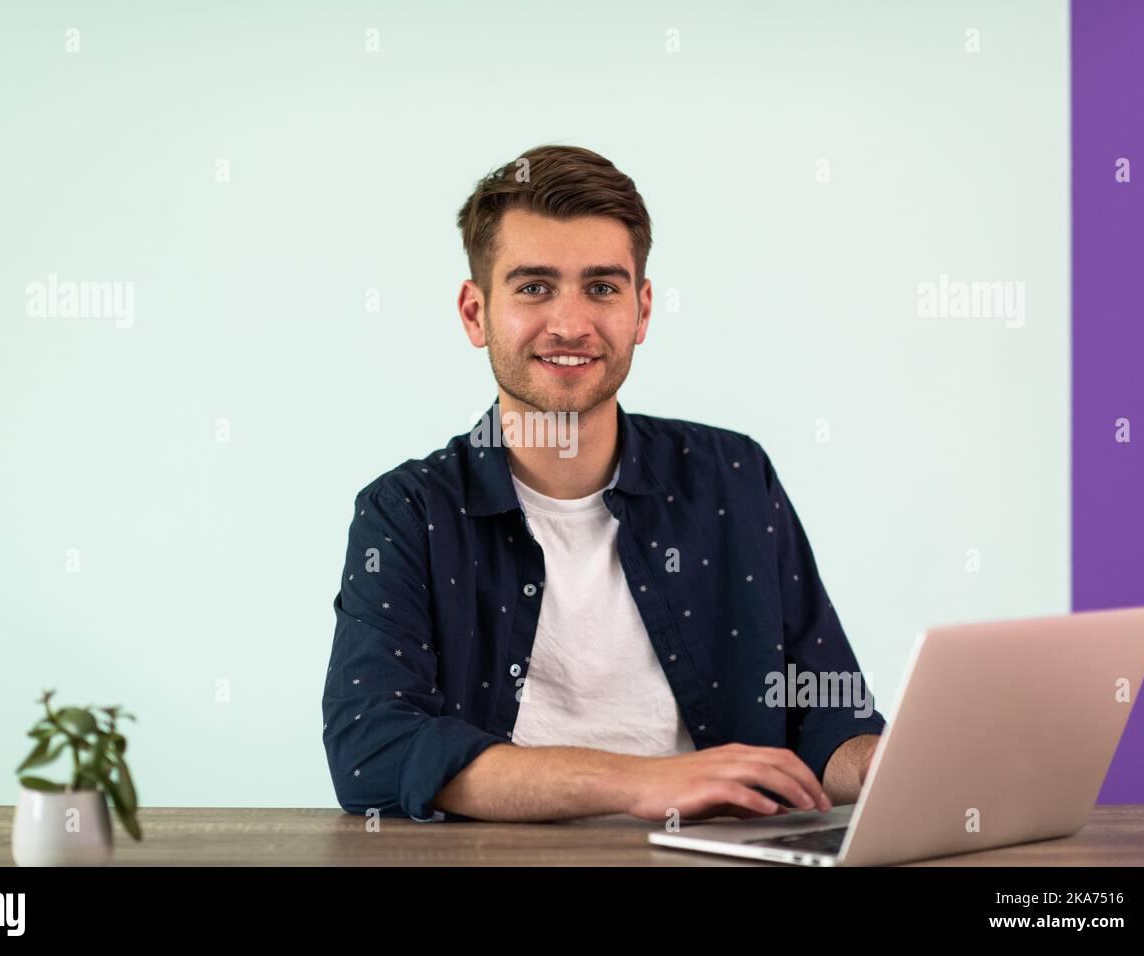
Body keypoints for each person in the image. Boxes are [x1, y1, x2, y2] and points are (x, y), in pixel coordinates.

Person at [322, 144, 884, 823]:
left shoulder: (734, 479)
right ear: (475, 313)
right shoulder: (407, 512)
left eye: (602, 287)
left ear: (641, 310)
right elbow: (371, 753)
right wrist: (642, 783)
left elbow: (823, 712)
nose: (570, 324)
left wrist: (887, 764)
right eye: (533, 287)